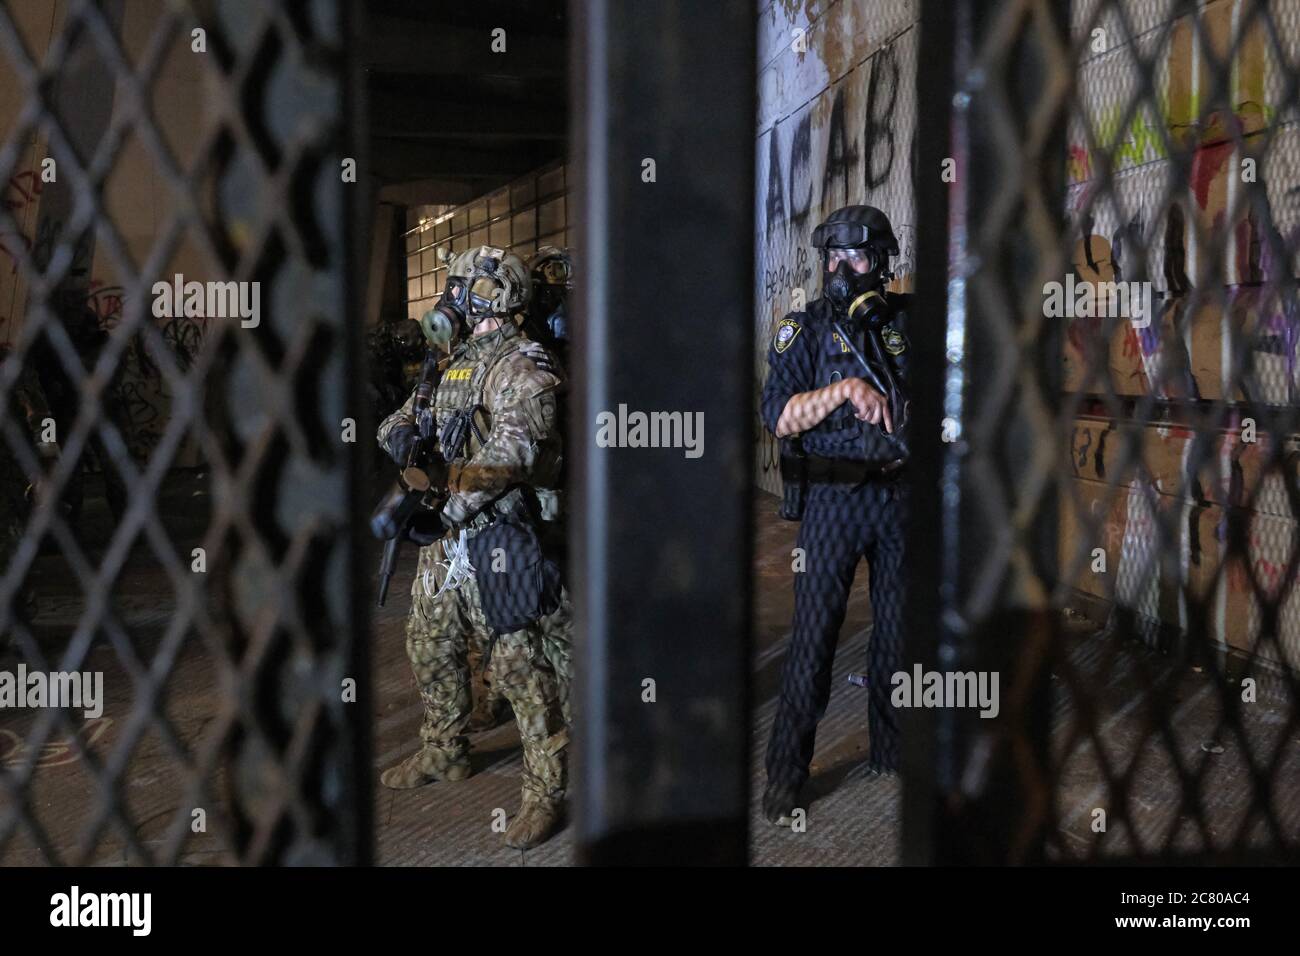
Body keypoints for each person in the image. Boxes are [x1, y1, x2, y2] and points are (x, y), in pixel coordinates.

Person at [376, 244, 569, 849]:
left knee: (519, 669)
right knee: (428, 642)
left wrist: (449, 505)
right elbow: (392, 426)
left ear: (488, 295)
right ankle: (445, 749)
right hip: (447, 539)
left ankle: (544, 793)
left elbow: (513, 453)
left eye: (460, 285)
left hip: (500, 538)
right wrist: (405, 435)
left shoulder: (523, 364)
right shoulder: (451, 362)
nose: (449, 295)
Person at [760, 205, 912, 827]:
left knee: (898, 641)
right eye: (832, 257)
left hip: (899, 499)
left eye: (854, 256)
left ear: (879, 262)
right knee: (814, 639)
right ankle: (787, 775)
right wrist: (845, 392)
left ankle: (893, 753)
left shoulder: (905, 323)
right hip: (833, 502)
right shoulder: (806, 329)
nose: (839, 268)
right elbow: (779, 416)